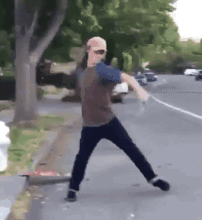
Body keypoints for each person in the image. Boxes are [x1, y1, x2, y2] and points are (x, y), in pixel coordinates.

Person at [65, 37, 170, 202]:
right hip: (90, 125)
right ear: (88, 50)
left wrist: (139, 90)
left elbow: (127, 78)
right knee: (82, 158)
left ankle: (153, 178)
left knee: (131, 149)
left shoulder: (102, 69)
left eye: (103, 52)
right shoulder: (83, 72)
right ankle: (72, 189)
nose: (100, 54)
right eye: (97, 50)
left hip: (108, 122)